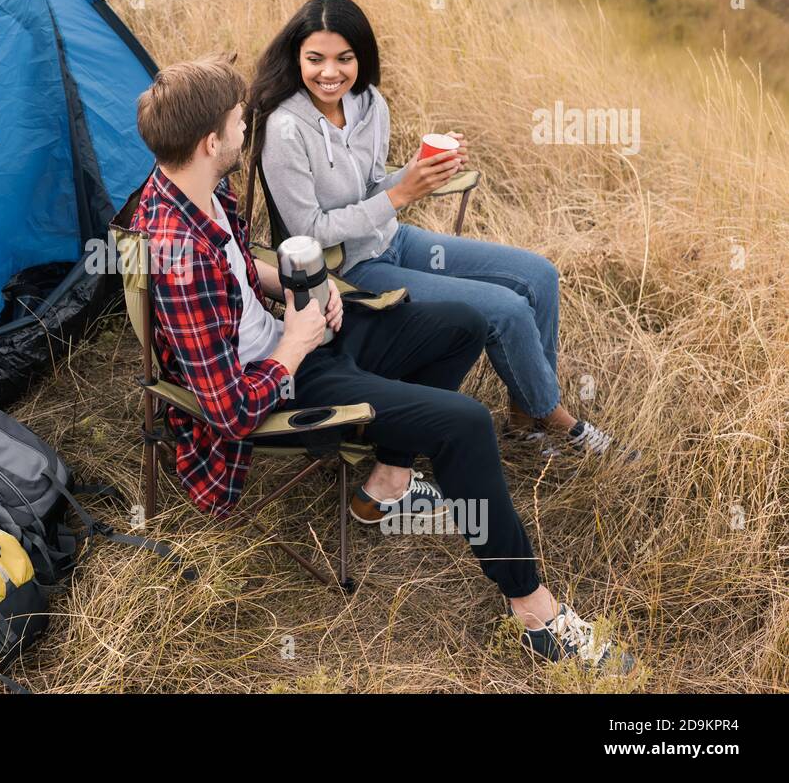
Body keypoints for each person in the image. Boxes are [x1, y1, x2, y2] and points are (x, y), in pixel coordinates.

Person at [129, 53, 633, 672]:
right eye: (239, 122)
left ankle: (385, 483)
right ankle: (534, 609)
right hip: (282, 382)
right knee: (465, 423)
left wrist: (303, 288)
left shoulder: (192, 186)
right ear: (211, 142)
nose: (245, 129)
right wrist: (295, 341)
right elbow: (229, 409)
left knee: (466, 324)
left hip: (298, 335)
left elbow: (235, 265)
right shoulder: (175, 253)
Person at [251, 0, 636, 462]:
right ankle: (555, 417)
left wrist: (420, 172)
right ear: (297, 57)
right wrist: (400, 195)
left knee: (539, 276)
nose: (329, 72)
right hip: (348, 269)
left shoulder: (369, 103)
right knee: (507, 310)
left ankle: (522, 421)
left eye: (344, 59)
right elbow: (309, 229)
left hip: (393, 240)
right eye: (315, 59)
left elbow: (373, 186)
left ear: (361, 58)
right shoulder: (285, 130)